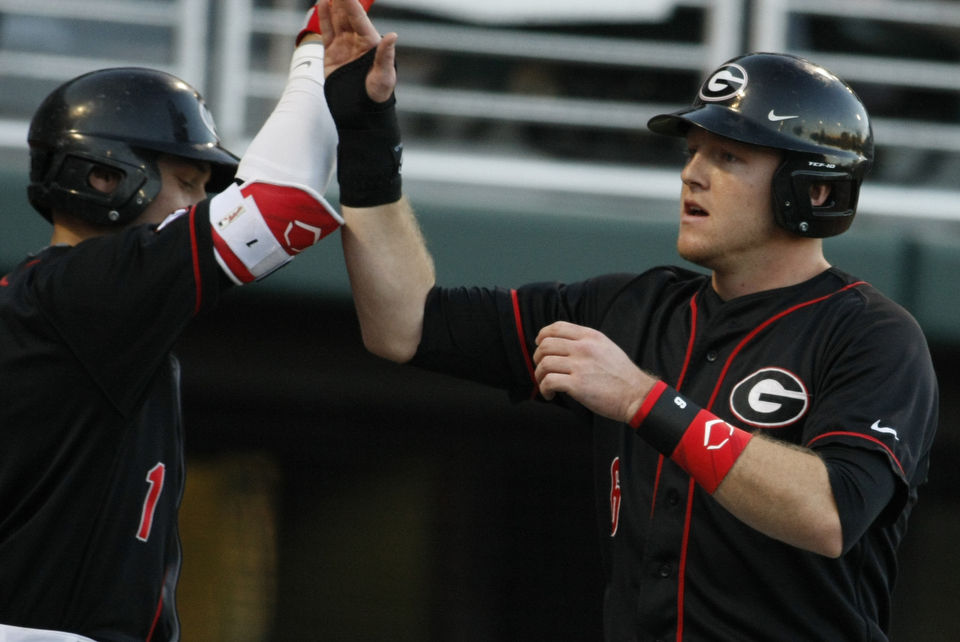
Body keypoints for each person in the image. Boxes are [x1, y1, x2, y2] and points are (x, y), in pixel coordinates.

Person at [318, 1, 940, 640]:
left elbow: (829, 513)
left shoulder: (873, 334)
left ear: (813, 189)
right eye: (694, 150)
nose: (692, 173)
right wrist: (367, 130)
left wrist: (644, 400)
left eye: (728, 158)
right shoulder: (630, 310)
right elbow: (403, 325)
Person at [0, 4, 353, 639]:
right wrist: (312, 58)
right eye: (188, 181)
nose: (201, 202)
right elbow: (284, 202)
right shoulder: (82, 294)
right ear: (105, 176)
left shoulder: (56, 300)